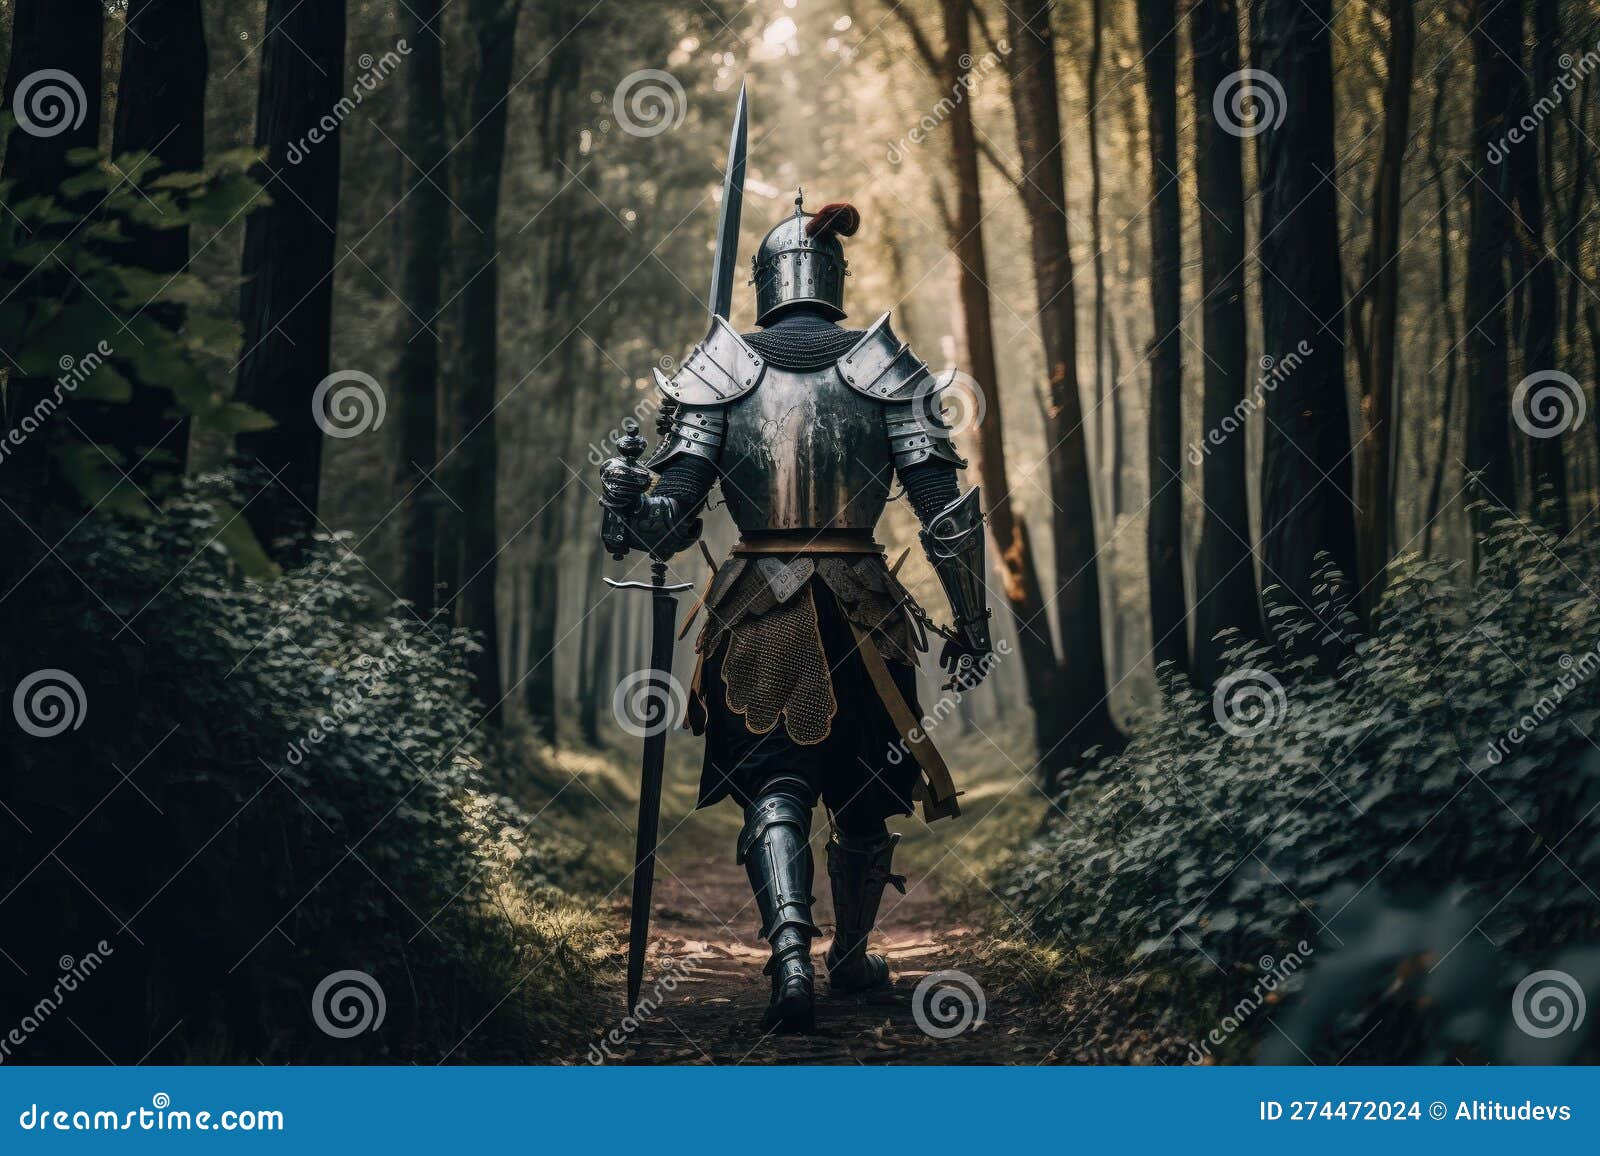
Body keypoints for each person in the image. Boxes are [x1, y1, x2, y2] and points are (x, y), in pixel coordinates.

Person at [598, 192, 993, 1032]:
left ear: (765, 280)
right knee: (864, 789)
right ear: (834, 277)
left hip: (759, 609)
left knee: (774, 782)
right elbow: (945, 513)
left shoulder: (721, 369)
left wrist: (630, 498)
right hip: (864, 610)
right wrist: (974, 625)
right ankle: (846, 958)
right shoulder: (885, 365)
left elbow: (671, 519)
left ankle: (790, 967)